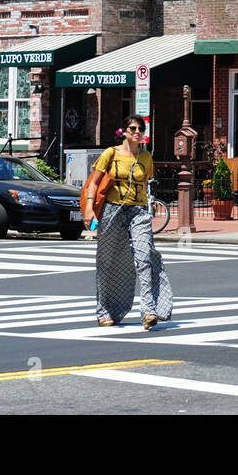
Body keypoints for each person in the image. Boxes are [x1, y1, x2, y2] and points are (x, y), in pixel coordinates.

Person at [92, 114, 173, 328]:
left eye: (141, 129)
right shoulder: (111, 153)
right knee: (107, 260)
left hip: (138, 210)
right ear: (125, 132)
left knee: (144, 257)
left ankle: (148, 310)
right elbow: (94, 183)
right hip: (112, 209)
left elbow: (147, 183)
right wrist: (90, 211)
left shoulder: (146, 157)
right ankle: (104, 310)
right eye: (133, 129)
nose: (137, 132)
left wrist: (150, 205)